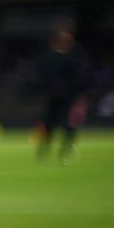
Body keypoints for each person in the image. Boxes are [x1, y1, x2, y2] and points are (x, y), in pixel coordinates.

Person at [37, 23, 88, 163]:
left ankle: (67, 149)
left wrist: (79, 93)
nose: (67, 40)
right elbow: (42, 74)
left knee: (69, 124)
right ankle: (44, 148)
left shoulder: (75, 55)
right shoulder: (49, 56)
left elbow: (81, 75)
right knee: (48, 123)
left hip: (70, 96)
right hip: (52, 95)